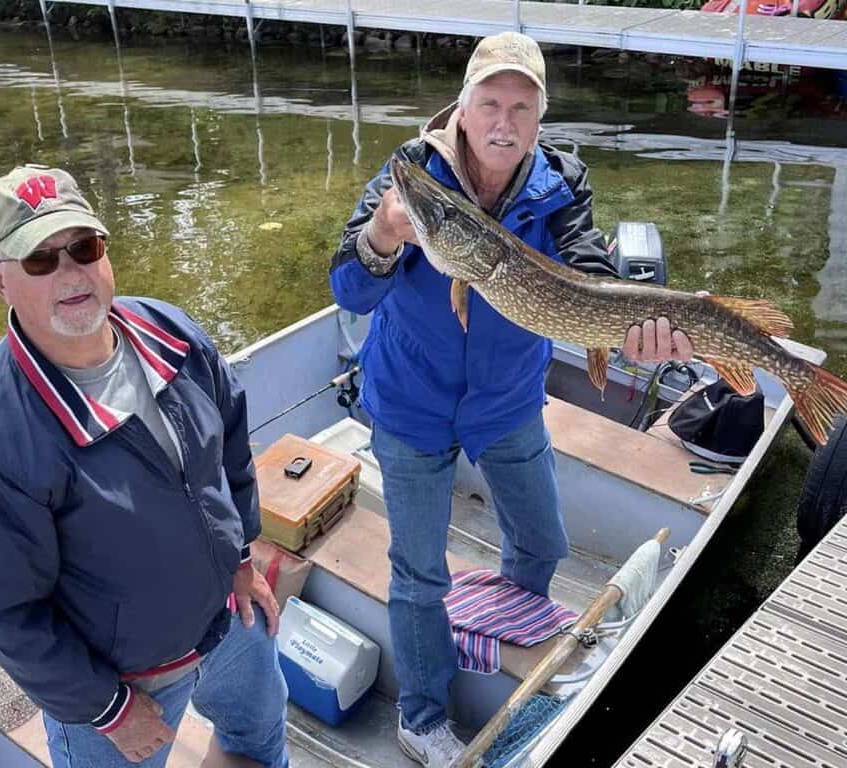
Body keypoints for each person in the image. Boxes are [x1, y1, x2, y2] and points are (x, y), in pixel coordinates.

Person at [329, 32, 695, 768]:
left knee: (544, 545)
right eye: (489, 103)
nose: (504, 121)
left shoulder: (559, 182)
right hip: (411, 404)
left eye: (521, 108)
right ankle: (424, 715)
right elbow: (348, 286)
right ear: (462, 109)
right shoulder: (409, 182)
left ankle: (504, 625)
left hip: (507, 401)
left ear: (538, 119)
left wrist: (633, 327)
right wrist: (380, 234)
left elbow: (588, 267)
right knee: (420, 573)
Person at [0, 166, 289, 768]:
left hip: (230, 619)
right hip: (123, 686)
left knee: (258, 739)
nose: (71, 274)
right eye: (40, 261)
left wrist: (242, 557)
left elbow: (230, 443)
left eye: (83, 248)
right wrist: (107, 710)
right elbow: (6, 618)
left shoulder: (171, 332)